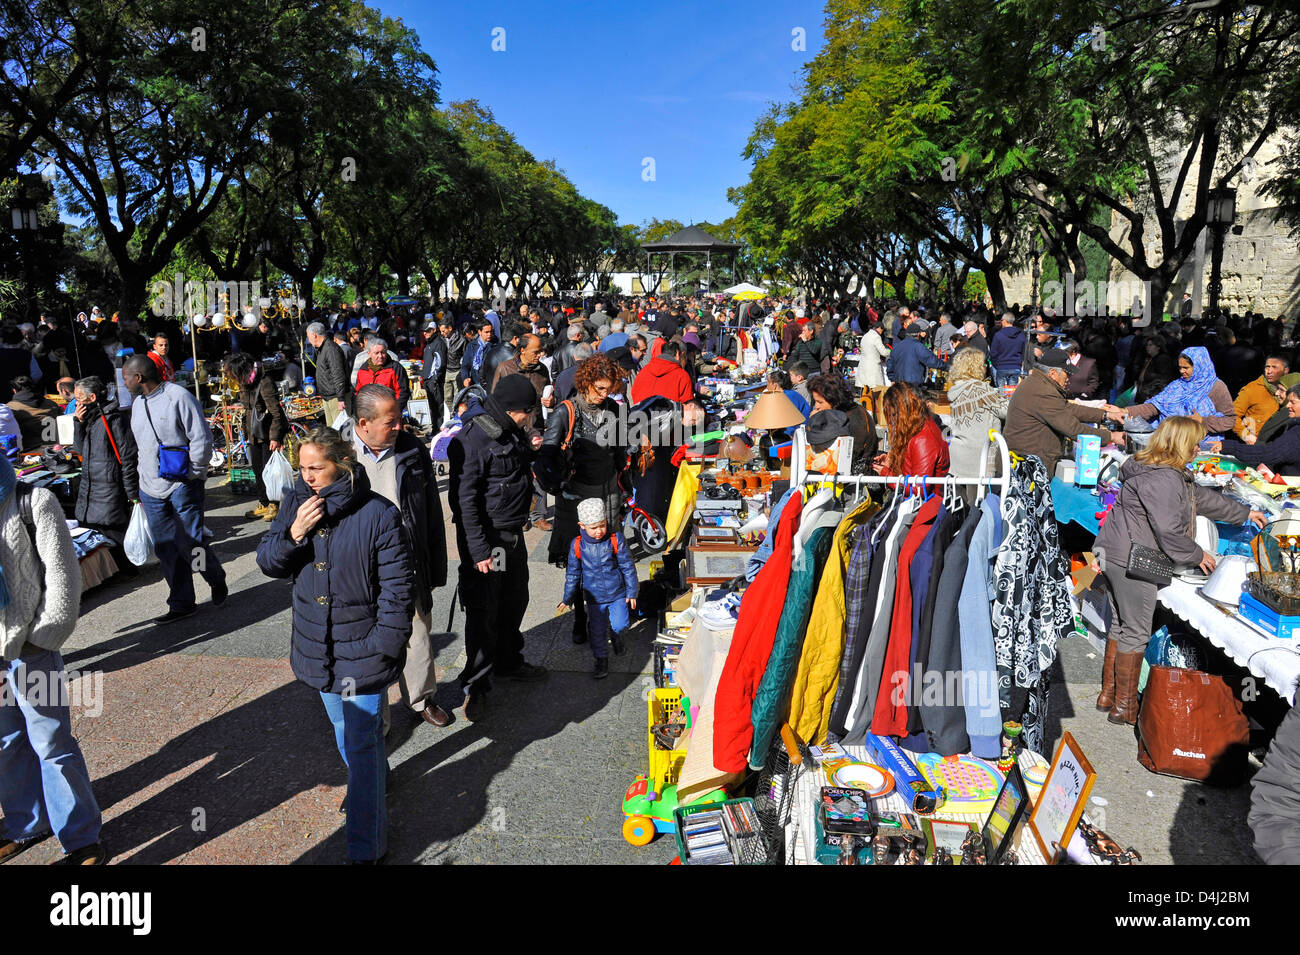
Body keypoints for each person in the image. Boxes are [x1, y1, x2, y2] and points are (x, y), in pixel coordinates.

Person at [256, 427, 411, 863]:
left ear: (340, 465)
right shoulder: (294, 503)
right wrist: (294, 535)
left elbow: (398, 587)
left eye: (315, 468)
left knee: (361, 739)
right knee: (345, 731)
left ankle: (365, 844)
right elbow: (268, 561)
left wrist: (385, 644)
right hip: (317, 646)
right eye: (302, 468)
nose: (306, 476)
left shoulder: (378, 513)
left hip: (362, 649)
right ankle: (375, 780)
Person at [1093, 417, 1264, 725]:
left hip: (1114, 552)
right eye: (1195, 444)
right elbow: (1169, 531)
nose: (1199, 450)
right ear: (1181, 444)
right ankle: (1125, 706)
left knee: (1120, 624)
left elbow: (1199, 498)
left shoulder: (1156, 470)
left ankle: (1109, 695)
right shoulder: (1165, 479)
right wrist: (1197, 554)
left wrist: (1244, 513)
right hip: (1133, 559)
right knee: (1135, 630)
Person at [0, 453, 107, 865]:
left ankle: (80, 837)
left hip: (31, 647)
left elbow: (63, 575)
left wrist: (45, 635)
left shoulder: (33, 500)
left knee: (50, 742)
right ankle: (26, 824)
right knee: (5, 742)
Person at [348, 384, 452, 729]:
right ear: (363, 424)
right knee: (369, 645)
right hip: (361, 568)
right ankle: (379, 719)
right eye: (389, 422)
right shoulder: (340, 454)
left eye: (399, 419)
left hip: (408, 560)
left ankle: (421, 697)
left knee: (418, 631)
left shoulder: (410, 448)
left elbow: (431, 513)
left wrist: (436, 565)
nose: (398, 427)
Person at [448, 375, 548, 722]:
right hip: (489, 541)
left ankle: (508, 661)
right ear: (512, 410)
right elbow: (465, 502)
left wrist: (530, 445)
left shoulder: (507, 427)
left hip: (510, 535)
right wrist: (478, 553)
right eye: (528, 414)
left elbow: (515, 466)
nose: (529, 419)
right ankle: (476, 686)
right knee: (483, 611)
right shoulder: (474, 438)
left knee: (513, 598)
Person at [123, 354, 227, 622]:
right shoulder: (137, 405)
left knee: (190, 545)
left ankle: (214, 576)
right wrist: (138, 484)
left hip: (183, 484)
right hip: (150, 489)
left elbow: (200, 438)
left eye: (125, 377)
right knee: (167, 548)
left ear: (139, 377)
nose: (123, 382)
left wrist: (194, 474)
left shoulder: (178, 396)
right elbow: (139, 448)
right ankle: (182, 603)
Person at [537, 354, 627, 642]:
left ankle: (611, 614)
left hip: (609, 490)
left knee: (610, 557)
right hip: (576, 495)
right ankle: (579, 617)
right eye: (600, 388)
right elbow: (546, 457)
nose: (605, 394)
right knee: (579, 558)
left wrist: (627, 481)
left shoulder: (614, 408)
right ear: (587, 382)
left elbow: (621, 450)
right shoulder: (565, 411)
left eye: (609, 388)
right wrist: (558, 486)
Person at [557, 498, 639, 679]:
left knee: (621, 624)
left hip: (617, 592)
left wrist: (632, 591)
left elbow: (627, 566)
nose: (599, 531)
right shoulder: (577, 545)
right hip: (594, 597)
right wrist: (567, 597)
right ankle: (601, 659)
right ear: (582, 525)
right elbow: (573, 574)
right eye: (593, 527)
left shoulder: (615, 539)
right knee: (597, 631)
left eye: (602, 525)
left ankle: (617, 636)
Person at [1002, 347, 1117, 476]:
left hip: (1026, 460)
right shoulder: (1043, 391)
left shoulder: (1038, 383)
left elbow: (1067, 408)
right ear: (1052, 373)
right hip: (1028, 465)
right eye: (1067, 373)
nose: (1069, 378)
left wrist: (1104, 415)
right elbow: (1073, 429)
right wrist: (1112, 437)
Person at [71, 375, 139, 575]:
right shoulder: (91, 419)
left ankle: (127, 569)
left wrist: (131, 492)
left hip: (109, 486)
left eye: (79, 399)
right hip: (92, 486)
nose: (76, 403)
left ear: (92, 398)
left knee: (114, 528)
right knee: (96, 530)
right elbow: (81, 450)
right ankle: (112, 571)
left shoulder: (114, 419)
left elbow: (128, 458)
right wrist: (78, 422)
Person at [225, 353, 289, 522]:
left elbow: (276, 413)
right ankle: (264, 502)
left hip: (268, 434)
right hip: (254, 432)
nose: (234, 378)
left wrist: (276, 437)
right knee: (258, 470)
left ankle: (274, 504)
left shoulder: (264, 381)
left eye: (235, 374)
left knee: (270, 472)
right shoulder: (245, 383)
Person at [945, 346, 1008, 500]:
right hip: (979, 459)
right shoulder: (980, 389)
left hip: (958, 457)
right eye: (983, 364)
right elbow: (1006, 410)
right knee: (978, 511)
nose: (986, 367)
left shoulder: (956, 390)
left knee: (961, 510)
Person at [1207, 384, 1300, 475]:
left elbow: (1268, 454)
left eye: (1293, 402)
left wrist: (1229, 447)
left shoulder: (1297, 433)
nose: (1287, 405)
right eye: (1288, 401)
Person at [873, 382, 949, 477]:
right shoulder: (917, 429)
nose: (893, 420)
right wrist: (892, 463)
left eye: (894, 415)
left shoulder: (923, 440)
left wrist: (886, 473)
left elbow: (919, 488)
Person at [806, 372, 876, 473]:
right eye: (815, 401)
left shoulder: (849, 419)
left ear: (834, 400)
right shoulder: (847, 412)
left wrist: (815, 423)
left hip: (855, 478)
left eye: (820, 402)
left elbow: (842, 456)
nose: (816, 406)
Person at [1234, 354, 1289, 439]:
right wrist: (1247, 436)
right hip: (1257, 442)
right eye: (1267, 367)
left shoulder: (1291, 388)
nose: (1269, 371)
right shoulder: (1251, 389)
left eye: (1274, 367)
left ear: (1286, 371)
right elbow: (1232, 415)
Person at [307, 322, 348, 427]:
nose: (308, 340)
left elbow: (338, 373)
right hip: (328, 396)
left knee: (338, 430)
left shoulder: (331, 349)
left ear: (314, 335)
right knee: (331, 429)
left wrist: (340, 398)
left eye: (308, 337)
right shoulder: (322, 348)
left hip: (335, 397)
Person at [353, 338, 410, 413]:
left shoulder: (395, 368)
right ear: (369, 353)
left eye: (383, 352)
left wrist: (395, 410)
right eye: (376, 353)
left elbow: (403, 392)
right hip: (368, 413)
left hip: (390, 411)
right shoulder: (363, 370)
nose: (380, 356)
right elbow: (358, 393)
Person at [629, 339, 693, 405]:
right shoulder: (682, 376)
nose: (685, 361)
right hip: (671, 414)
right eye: (685, 357)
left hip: (640, 413)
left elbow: (634, 395)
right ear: (677, 354)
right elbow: (688, 406)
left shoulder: (643, 371)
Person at [5, 376, 59, 450]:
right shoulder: (51, 403)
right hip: (56, 447)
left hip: (30, 451)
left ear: (14, 391)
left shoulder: (10, 408)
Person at [855, 316, 890, 417]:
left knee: (865, 390)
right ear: (880, 328)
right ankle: (874, 414)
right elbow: (883, 352)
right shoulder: (876, 336)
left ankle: (865, 413)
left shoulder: (866, 335)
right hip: (872, 367)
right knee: (875, 391)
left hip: (863, 365)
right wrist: (891, 352)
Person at [988, 313, 1028, 388]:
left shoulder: (998, 335)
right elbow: (1023, 352)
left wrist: (997, 365)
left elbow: (993, 354)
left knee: (1001, 393)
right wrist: (1019, 363)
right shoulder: (1021, 335)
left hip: (1002, 366)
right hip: (1015, 366)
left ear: (1004, 321)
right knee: (1012, 393)